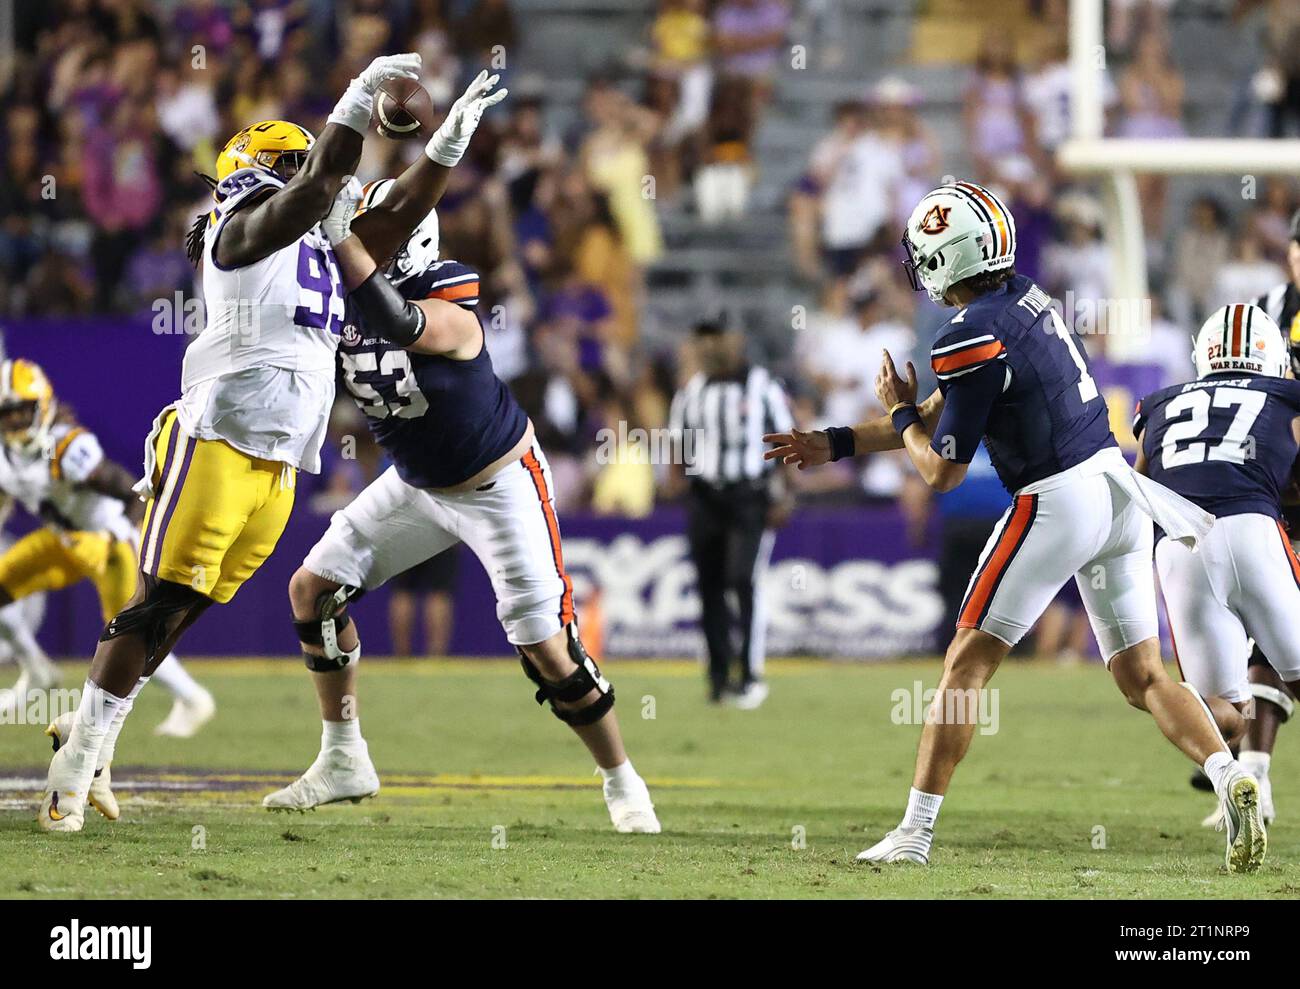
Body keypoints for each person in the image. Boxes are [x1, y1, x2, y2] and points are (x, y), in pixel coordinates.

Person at [38, 55, 506, 833]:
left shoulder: (320, 238)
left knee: (186, 607)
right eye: (287, 162)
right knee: (157, 602)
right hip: (219, 435)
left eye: (303, 160)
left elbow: (391, 219)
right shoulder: (238, 227)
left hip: (284, 456)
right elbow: (322, 185)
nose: (307, 172)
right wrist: (357, 95)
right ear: (248, 171)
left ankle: (87, 736)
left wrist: (446, 148)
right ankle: (75, 764)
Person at [765, 181, 1266, 873]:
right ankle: (1228, 774)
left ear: (944, 261)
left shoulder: (965, 333)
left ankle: (913, 833)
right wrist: (840, 440)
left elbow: (939, 469)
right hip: (1120, 491)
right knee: (1143, 674)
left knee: (964, 665)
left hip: (1058, 497)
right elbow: (942, 407)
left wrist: (901, 412)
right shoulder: (1026, 298)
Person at [262, 179, 659, 834]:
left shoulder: (451, 307)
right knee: (313, 589)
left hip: (499, 485)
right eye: (361, 230)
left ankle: (621, 777)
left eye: (376, 232)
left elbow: (394, 320)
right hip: (417, 483)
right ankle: (343, 757)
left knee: (547, 649)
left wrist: (338, 240)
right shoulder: (344, 295)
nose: (362, 242)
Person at [1135, 305, 1300, 846]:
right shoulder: (1284, 397)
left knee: (1224, 714)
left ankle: (1228, 773)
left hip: (1179, 546)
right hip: (1253, 530)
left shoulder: (1159, 404)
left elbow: (1141, 488)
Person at [0, 358, 215, 739]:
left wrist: (129, 534)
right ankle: (36, 668)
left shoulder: (65, 446)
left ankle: (193, 697)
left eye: (22, 411)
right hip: (66, 539)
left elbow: (127, 487)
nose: (15, 422)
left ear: (42, 405)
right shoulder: (6, 454)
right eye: (7, 413)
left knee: (127, 630)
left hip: (107, 536)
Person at [667, 318, 794, 707]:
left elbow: (786, 439)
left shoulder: (762, 387)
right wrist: (676, 482)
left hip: (748, 496)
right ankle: (719, 676)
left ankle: (750, 674)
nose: (708, 348)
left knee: (743, 579)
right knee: (709, 588)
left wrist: (784, 494)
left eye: (715, 339)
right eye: (701, 339)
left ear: (734, 342)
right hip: (706, 496)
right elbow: (678, 443)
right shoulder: (692, 391)